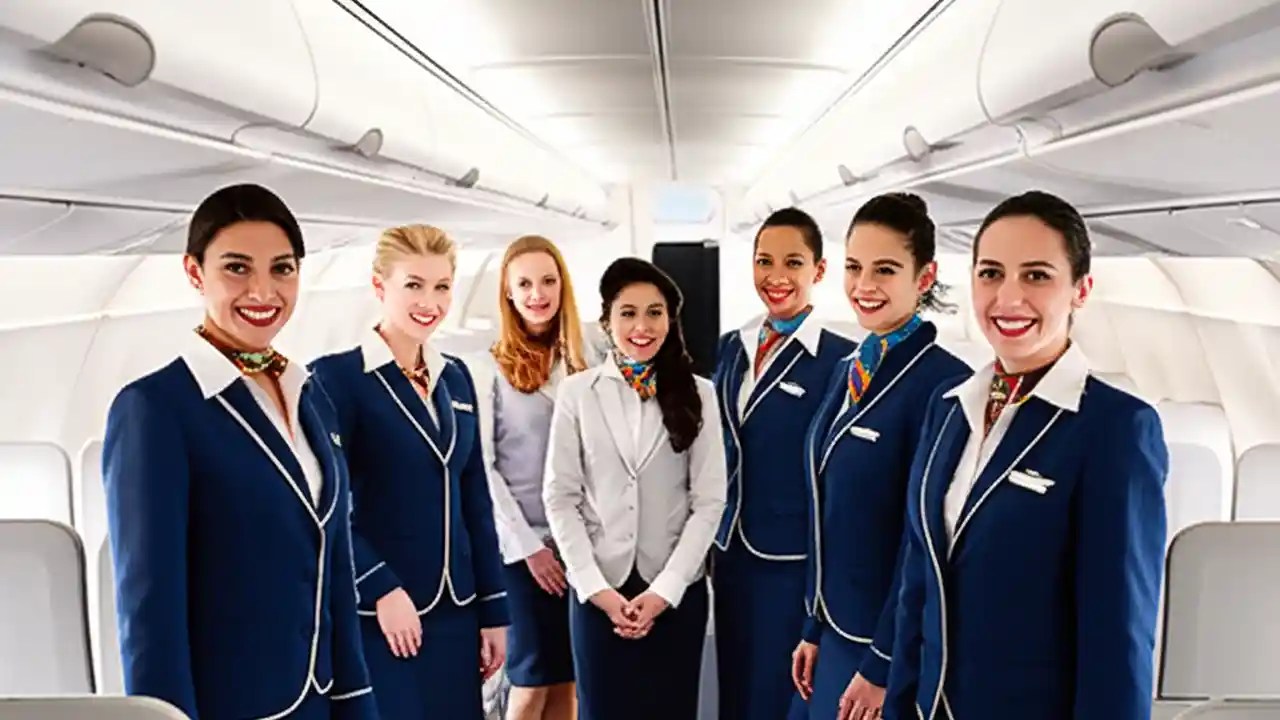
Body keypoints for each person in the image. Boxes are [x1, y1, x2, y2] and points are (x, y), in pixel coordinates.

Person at [884, 191, 1169, 720]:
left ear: (1081, 290)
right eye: (991, 273)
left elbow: (1119, 635)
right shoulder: (947, 409)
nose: (1008, 297)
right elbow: (918, 585)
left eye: (1036, 275)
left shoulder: (1115, 429)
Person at [102, 183, 377, 719]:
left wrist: (356, 702)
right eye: (237, 268)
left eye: (281, 269)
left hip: (321, 700)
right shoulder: (155, 409)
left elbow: (334, 567)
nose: (262, 291)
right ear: (194, 272)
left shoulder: (309, 394)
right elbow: (150, 611)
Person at [308, 224, 508, 720]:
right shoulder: (337, 378)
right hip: (384, 613)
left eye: (442, 287)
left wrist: (494, 611)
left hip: (457, 610)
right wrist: (379, 586)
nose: (430, 302)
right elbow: (324, 505)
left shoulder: (455, 376)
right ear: (380, 287)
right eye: (413, 285)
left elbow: (474, 500)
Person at [789, 193, 970, 720]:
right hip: (834, 626)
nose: (863, 285)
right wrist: (813, 624)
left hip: (882, 644)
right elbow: (825, 505)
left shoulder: (944, 385)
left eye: (885, 270)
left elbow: (922, 540)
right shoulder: (849, 367)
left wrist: (883, 664)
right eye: (854, 267)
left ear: (925, 276)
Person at [543, 257, 727, 720]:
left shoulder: (700, 393)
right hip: (599, 590)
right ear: (607, 321)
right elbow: (560, 497)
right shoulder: (577, 393)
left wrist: (666, 589)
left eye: (654, 313)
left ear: (670, 320)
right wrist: (594, 587)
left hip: (673, 593)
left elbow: (709, 501)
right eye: (628, 313)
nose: (642, 326)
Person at [711, 207, 856, 720]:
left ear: (819, 270)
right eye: (764, 261)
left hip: (792, 559)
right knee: (734, 687)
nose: (776, 276)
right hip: (730, 552)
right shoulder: (732, 348)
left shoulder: (841, 360)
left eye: (793, 262)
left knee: (778, 694)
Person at [482, 235, 593, 719]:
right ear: (507, 292)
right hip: (521, 550)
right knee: (530, 681)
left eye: (548, 281)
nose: (537, 294)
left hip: (578, 544)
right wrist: (529, 548)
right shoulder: (489, 367)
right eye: (524, 284)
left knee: (568, 681)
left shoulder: (587, 359)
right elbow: (484, 468)